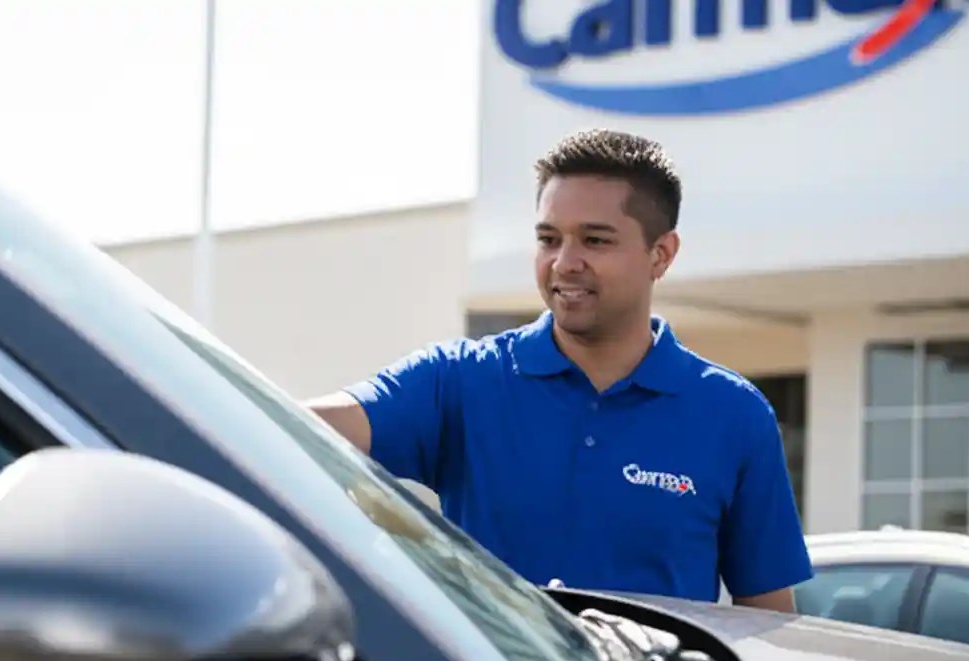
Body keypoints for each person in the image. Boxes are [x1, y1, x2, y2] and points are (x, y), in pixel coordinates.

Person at [307, 128, 812, 612]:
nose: (565, 263)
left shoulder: (734, 415)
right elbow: (295, 430)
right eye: (549, 239)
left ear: (661, 254)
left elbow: (767, 620)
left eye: (595, 241)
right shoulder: (458, 382)